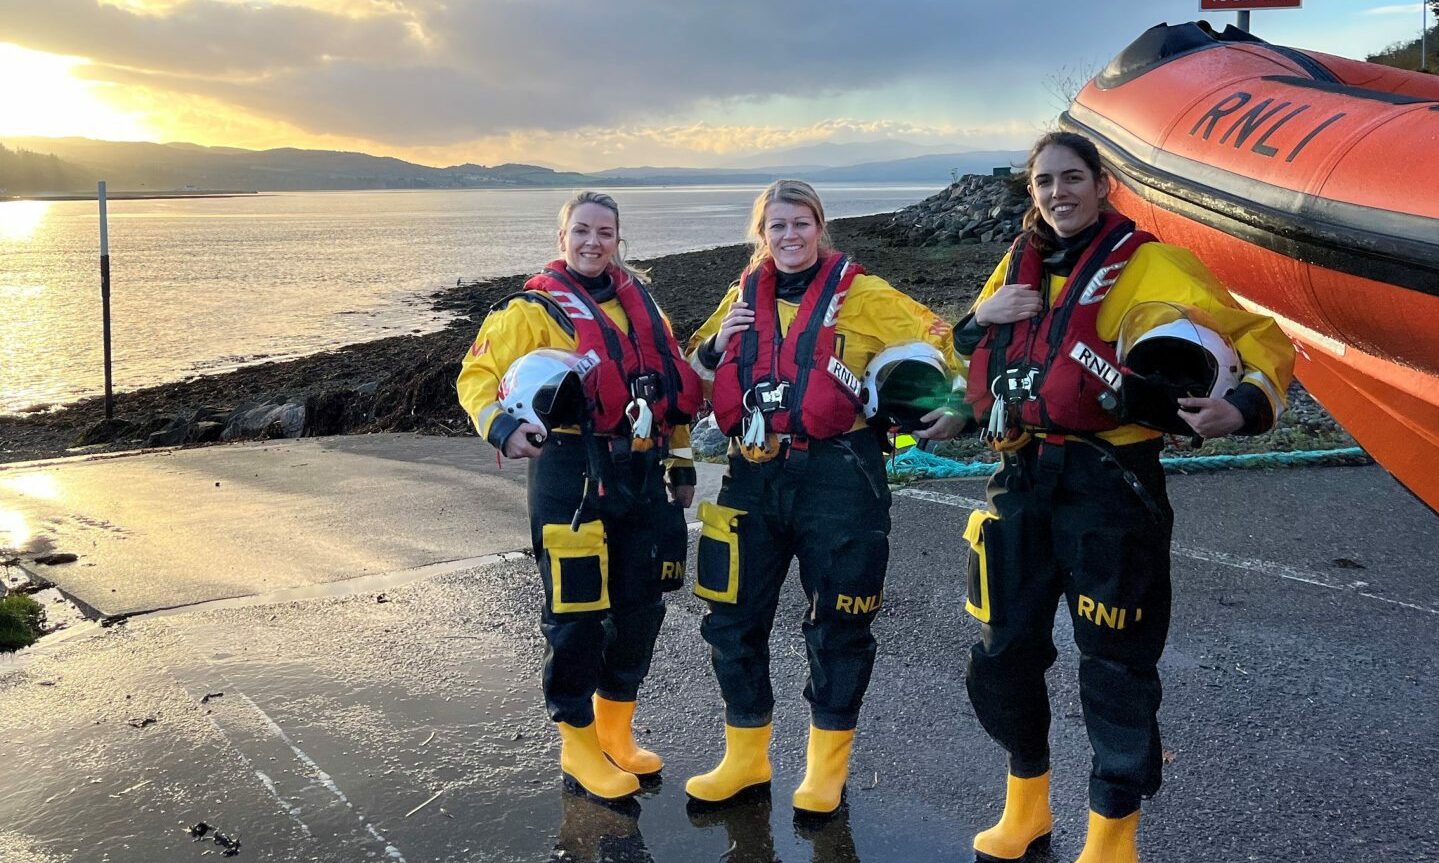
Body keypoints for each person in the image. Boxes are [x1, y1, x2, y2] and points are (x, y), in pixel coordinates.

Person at [953, 132, 1294, 862]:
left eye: (1070, 178)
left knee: (1113, 665)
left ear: (1102, 184)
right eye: (1043, 181)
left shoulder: (1151, 262)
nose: (1056, 193)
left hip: (1111, 486)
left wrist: (1241, 407)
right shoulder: (1013, 268)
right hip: (1017, 480)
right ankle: (1026, 805)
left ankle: (1110, 837)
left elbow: (1259, 340)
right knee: (1002, 651)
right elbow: (976, 360)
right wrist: (971, 337)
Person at [684, 179, 964, 816]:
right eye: (777, 225)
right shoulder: (741, 298)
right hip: (751, 476)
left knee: (839, 624)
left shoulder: (863, 295)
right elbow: (694, 378)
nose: (789, 235)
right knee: (731, 618)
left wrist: (951, 406)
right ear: (762, 234)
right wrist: (712, 346)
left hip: (839, 475)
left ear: (820, 228)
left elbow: (944, 343)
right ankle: (745, 759)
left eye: (801, 223)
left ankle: (825, 770)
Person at [456, 191, 702, 802]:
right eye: (582, 231)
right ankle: (578, 744)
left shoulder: (644, 306)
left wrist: (681, 462)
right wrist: (503, 427)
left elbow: (667, 387)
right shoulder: (531, 310)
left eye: (606, 232)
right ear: (562, 236)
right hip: (570, 470)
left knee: (641, 609)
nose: (594, 242)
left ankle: (616, 730)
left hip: (641, 471)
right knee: (576, 615)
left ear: (620, 239)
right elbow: (476, 378)